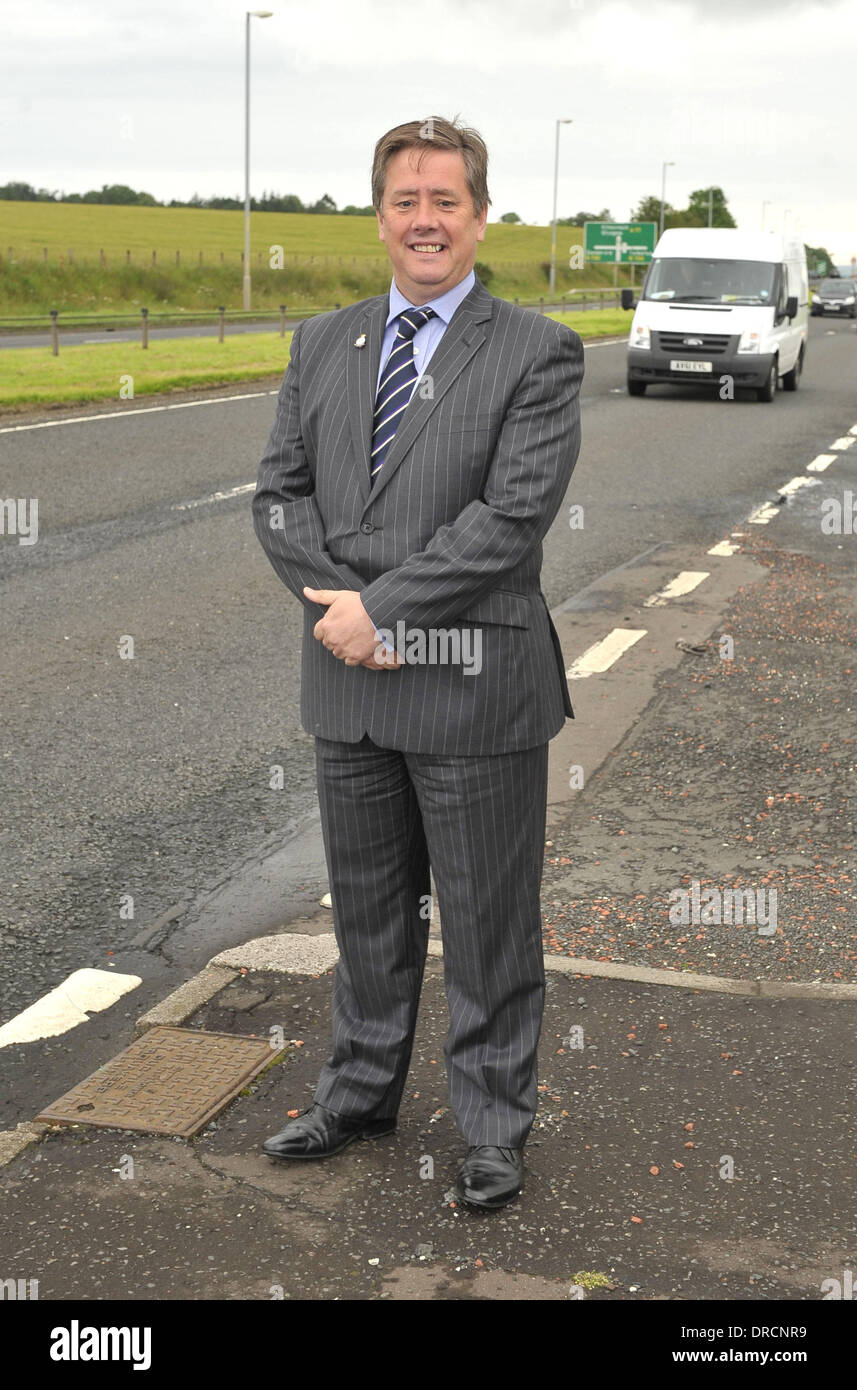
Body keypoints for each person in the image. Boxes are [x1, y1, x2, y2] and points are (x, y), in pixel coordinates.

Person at [251, 115, 584, 1210]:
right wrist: (340, 612)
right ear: (379, 215)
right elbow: (278, 494)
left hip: (474, 686)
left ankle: (491, 1126)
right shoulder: (322, 342)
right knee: (366, 915)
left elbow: (512, 517)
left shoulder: (535, 349)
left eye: (446, 200)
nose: (425, 219)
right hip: (346, 682)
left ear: (479, 215)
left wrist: (381, 609)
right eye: (406, 200)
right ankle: (357, 1094)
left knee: (489, 923)